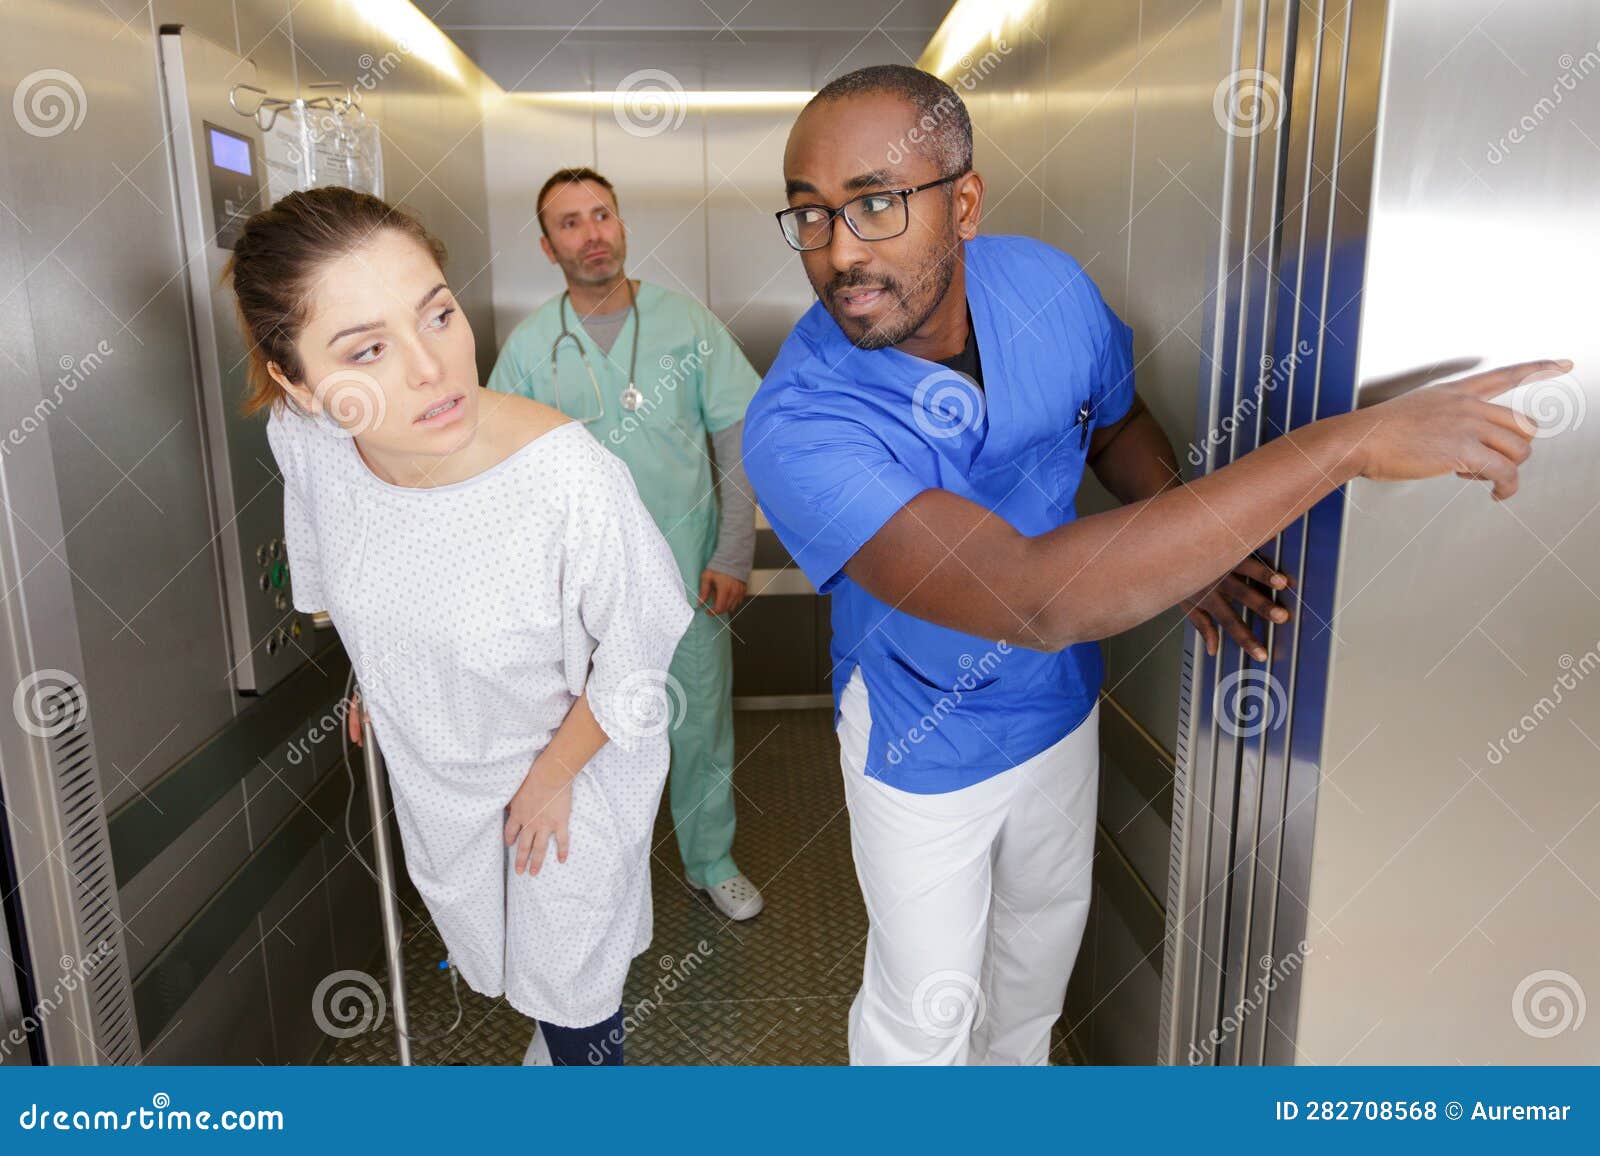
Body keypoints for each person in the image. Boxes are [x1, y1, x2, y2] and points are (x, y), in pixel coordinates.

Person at [742, 63, 1568, 1065]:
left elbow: (1114, 424)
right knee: (923, 1013)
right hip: (921, 734)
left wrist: (1184, 527)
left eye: (874, 204)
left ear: (962, 203)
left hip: (1057, 708)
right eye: (810, 216)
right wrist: (1346, 446)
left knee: (1031, 984)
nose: (838, 252)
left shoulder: (1043, 288)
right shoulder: (800, 423)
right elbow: (1031, 596)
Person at [228, 186, 693, 1065]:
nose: (432, 368)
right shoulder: (310, 440)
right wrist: (378, 672)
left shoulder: (566, 482)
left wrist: (553, 779)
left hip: (572, 770)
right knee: (505, 960)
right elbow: (341, 571)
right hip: (439, 769)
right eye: (366, 350)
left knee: (576, 993)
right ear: (296, 381)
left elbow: (642, 653)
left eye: (437, 314)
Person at [485, 168, 767, 921]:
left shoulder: (688, 326)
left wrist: (734, 552)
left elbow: (737, 436)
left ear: (623, 226)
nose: (592, 234)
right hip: (576, 592)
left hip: (685, 573)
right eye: (571, 223)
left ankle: (711, 859)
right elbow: (502, 474)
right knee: (589, 733)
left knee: (699, 720)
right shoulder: (531, 347)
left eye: (602, 215)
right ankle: (607, 884)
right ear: (549, 247)